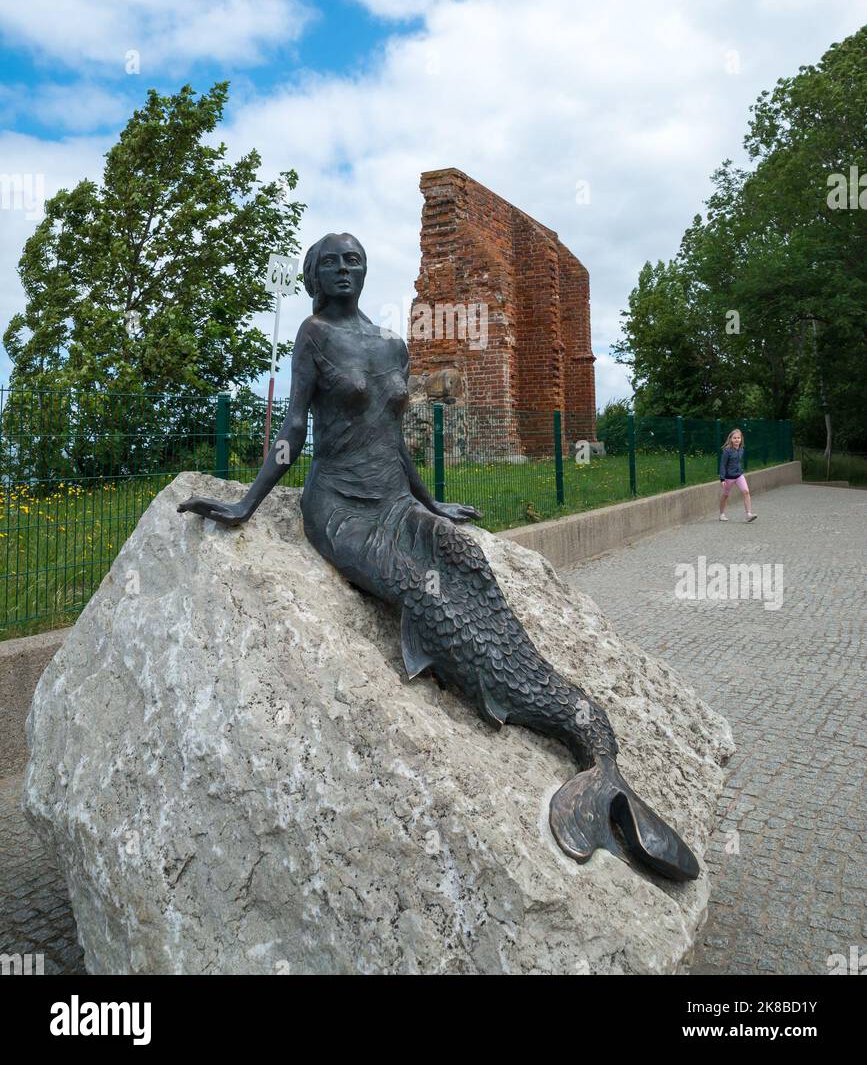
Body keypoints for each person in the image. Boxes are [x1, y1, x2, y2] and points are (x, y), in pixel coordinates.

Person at [176, 231, 699, 880]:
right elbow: (291, 432)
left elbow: (394, 442)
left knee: (468, 563)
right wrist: (246, 505)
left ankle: (592, 747)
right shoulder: (313, 336)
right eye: (329, 262)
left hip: (396, 500)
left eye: (353, 261)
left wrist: (434, 504)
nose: (342, 269)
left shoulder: (390, 343)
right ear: (312, 274)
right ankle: (539, 724)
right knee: (426, 592)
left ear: (363, 272)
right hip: (341, 506)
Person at [719, 427, 757, 522]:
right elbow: (723, 464)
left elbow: (737, 462)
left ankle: (748, 514)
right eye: (735, 438)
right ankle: (721, 514)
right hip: (728, 477)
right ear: (731, 439)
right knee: (725, 495)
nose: (737, 440)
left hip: (739, 475)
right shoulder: (727, 451)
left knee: (746, 491)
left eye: (738, 438)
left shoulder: (741, 449)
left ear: (741, 439)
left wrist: (739, 470)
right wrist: (722, 478)